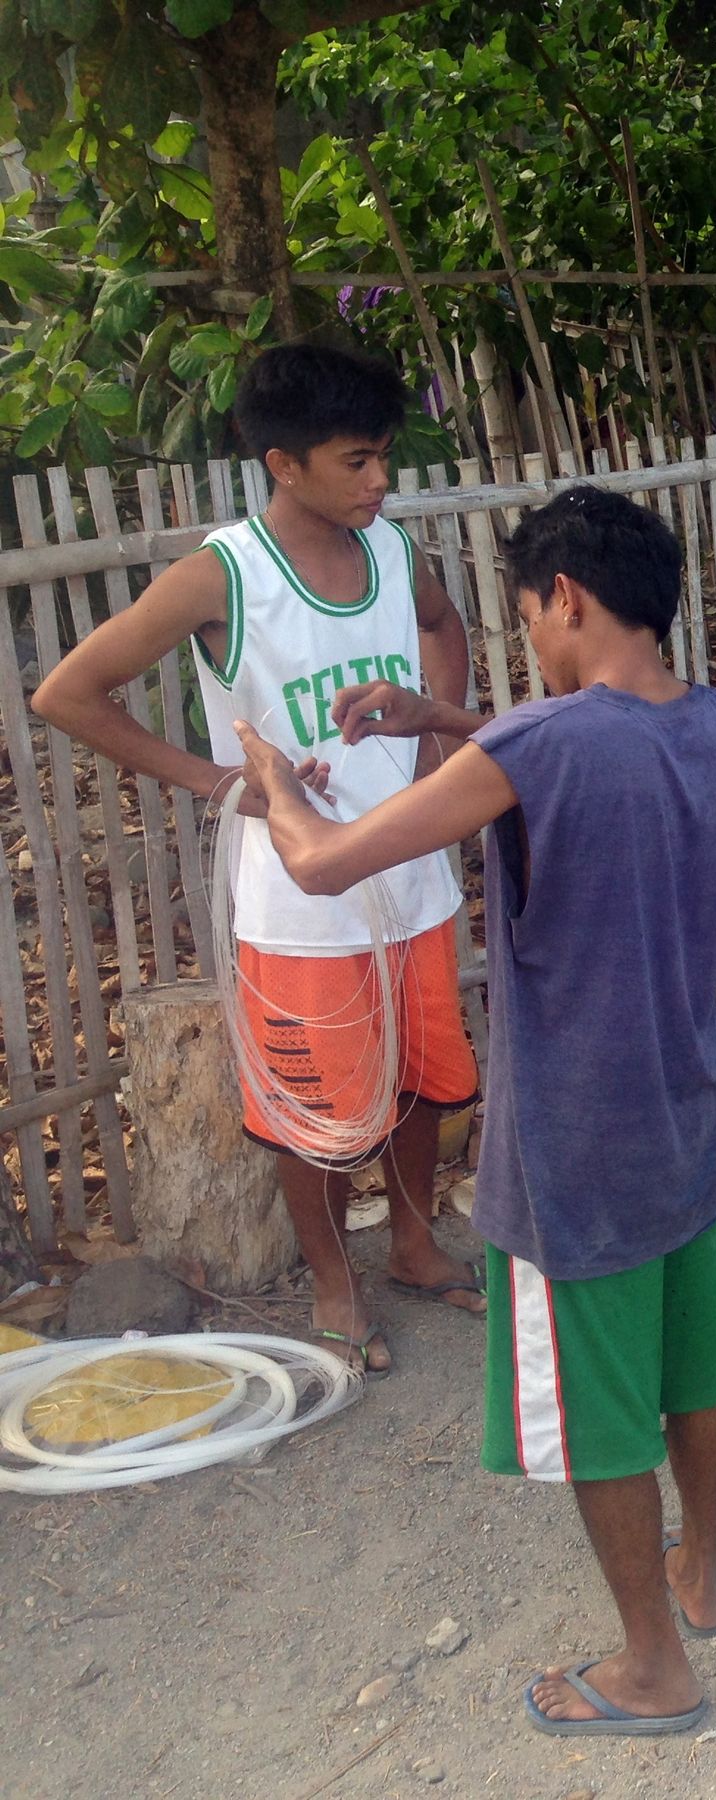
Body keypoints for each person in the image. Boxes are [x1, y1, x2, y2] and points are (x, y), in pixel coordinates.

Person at [231, 486, 716, 1738]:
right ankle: (699, 1567)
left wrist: (270, 781)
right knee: (696, 1362)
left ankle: (651, 1669)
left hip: (574, 1143)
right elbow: (573, 747)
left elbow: (321, 862)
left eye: (530, 620)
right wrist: (442, 719)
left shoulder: (545, 747)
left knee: (595, 1406)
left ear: (565, 599)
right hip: (688, 1109)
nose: (529, 646)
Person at [33, 344, 483, 1374]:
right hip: (297, 898)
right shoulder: (221, 577)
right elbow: (65, 694)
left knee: (422, 1081)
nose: (380, 483)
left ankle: (414, 1244)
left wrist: (432, 754)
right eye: (357, 462)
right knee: (312, 1110)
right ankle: (334, 1279)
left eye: (385, 460)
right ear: (284, 464)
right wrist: (217, 782)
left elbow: (444, 626)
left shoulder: (395, 556)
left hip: (409, 878)